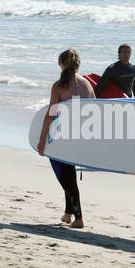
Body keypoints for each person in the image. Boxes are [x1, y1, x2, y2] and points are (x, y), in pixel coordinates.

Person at [36, 48, 95, 228]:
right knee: (69, 174)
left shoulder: (59, 86)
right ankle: (68, 214)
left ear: (62, 64)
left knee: (66, 176)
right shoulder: (87, 85)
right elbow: (95, 111)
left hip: (63, 136)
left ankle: (78, 218)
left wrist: (41, 139)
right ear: (78, 64)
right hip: (82, 134)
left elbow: (50, 114)